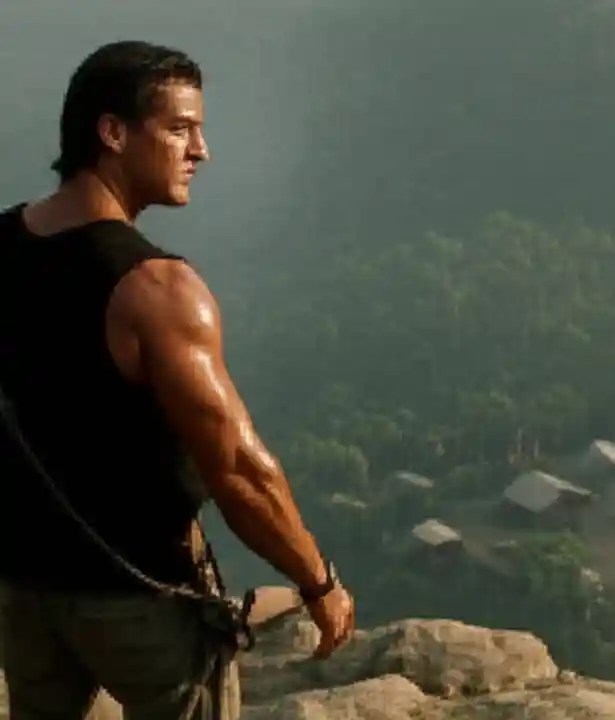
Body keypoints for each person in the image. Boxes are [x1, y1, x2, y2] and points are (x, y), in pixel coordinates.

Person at [0, 40, 355, 719]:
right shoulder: (157, 290)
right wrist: (317, 579)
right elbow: (239, 470)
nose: (201, 150)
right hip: (138, 600)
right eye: (180, 128)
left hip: (24, 591)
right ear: (113, 132)